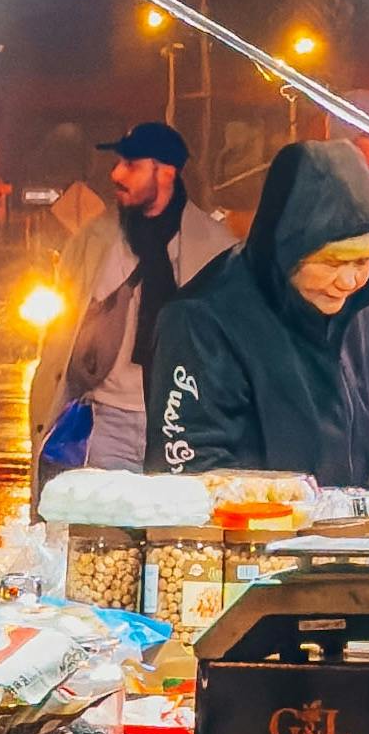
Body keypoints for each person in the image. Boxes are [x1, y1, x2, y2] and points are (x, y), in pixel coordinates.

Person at [148, 135, 369, 483]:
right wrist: (284, 510)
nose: (348, 280)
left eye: (364, 261)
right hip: (250, 533)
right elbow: (190, 463)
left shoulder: (366, 310)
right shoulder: (201, 319)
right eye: (330, 262)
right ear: (289, 248)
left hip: (351, 532)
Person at [37, 119, 230, 479]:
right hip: (105, 423)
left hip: (185, 427)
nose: (118, 174)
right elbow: (61, 336)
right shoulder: (93, 242)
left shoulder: (218, 247)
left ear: (167, 173)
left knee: (173, 532)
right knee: (101, 531)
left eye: (132, 165)